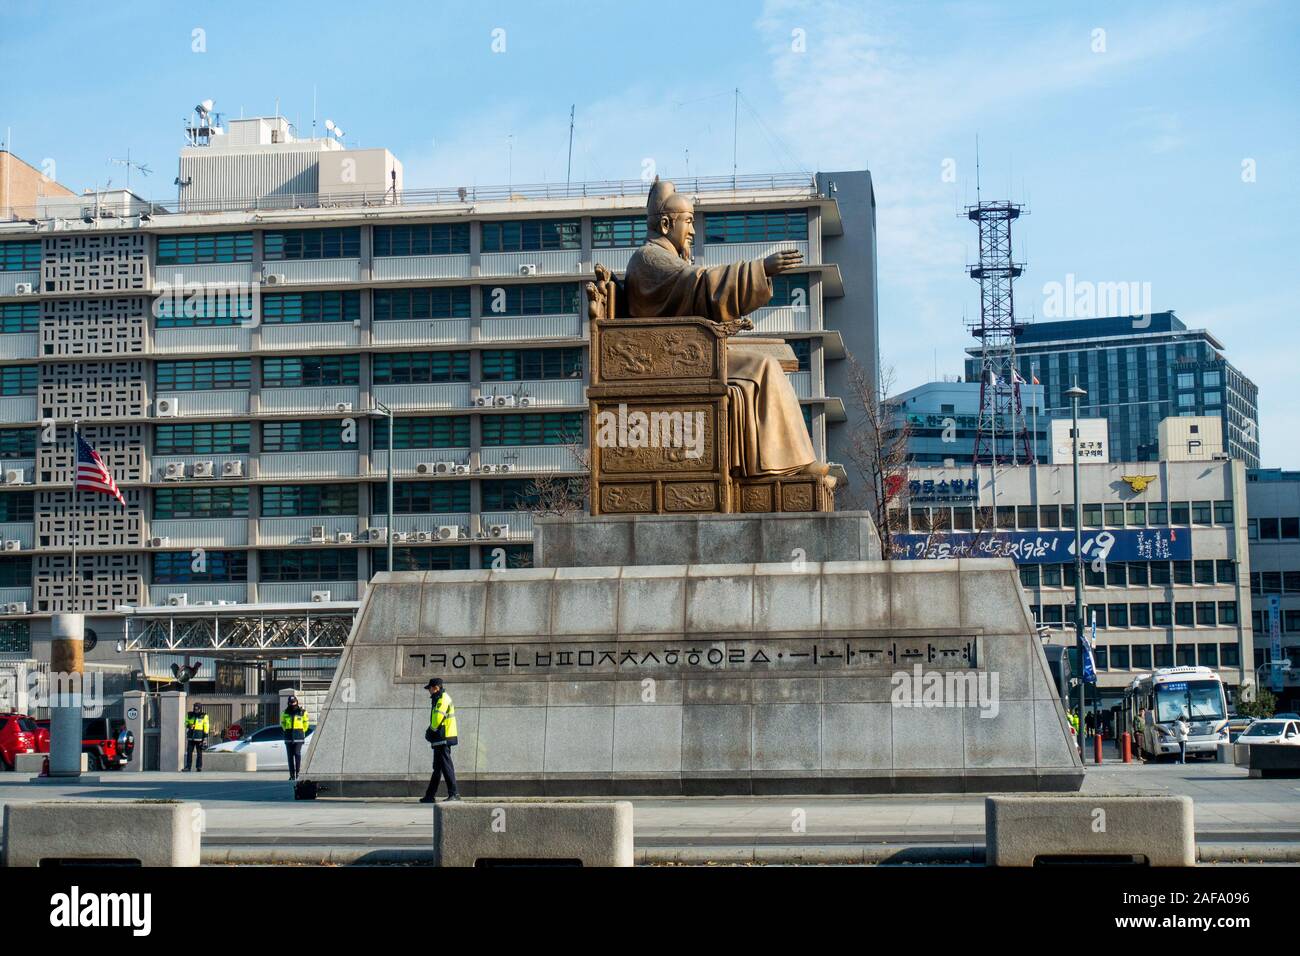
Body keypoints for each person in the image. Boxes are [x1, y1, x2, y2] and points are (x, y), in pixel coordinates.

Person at [420, 678, 461, 803]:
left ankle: (454, 793)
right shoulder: (439, 698)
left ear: (436, 688)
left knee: (446, 766)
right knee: (437, 768)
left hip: (443, 736)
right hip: (441, 737)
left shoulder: (442, 698)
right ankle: (429, 795)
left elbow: (438, 718)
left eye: (430, 689)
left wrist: (430, 731)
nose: (429, 691)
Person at [280, 695, 310, 780]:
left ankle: (298, 774)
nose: (293, 703)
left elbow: (306, 723)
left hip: (298, 737)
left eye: (294, 702)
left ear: (297, 702)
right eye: (291, 702)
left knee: (297, 754)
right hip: (288, 737)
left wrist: (302, 730)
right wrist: (286, 729)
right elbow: (282, 723)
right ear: (288, 703)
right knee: (290, 757)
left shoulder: (302, 712)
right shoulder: (285, 712)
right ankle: (292, 775)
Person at [183, 702, 209, 772]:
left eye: (197, 709)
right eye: (195, 709)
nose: (196, 710)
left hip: (199, 737)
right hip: (191, 737)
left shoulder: (204, 716)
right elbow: (185, 722)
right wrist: (189, 725)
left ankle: (199, 767)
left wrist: (205, 737)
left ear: (200, 709)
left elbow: (206, 726)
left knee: (199, 753)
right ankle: (188, 767)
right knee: (189, 752)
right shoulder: (189, 715)